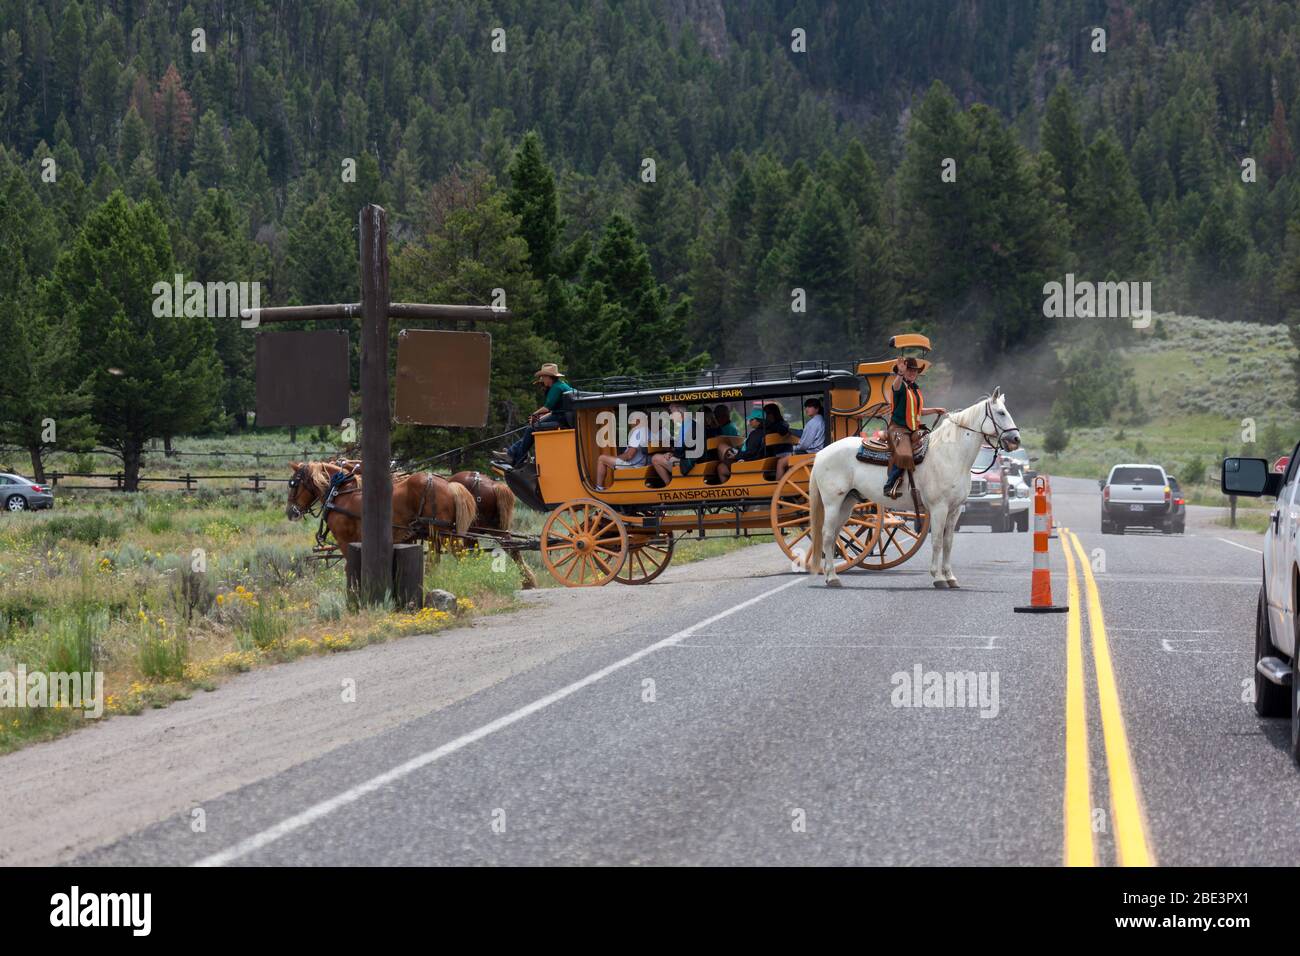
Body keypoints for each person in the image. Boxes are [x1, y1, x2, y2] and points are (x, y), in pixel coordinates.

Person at [882, 357, 945, 498]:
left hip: (913, 429)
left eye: (914, 371)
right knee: (904, 454)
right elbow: (895, 386)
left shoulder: (915, 389)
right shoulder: (900, 386)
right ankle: (889, 485)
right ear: (904, 371)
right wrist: (899, 373)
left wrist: (935, 410)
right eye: (909, 370)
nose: (912, 373)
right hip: (898, 429)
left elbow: (918, 411)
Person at [496, 363, 574, 468]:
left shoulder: (556, 388)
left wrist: (534, 415)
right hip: (561, 416)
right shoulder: (561, 385)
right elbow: (554, 410)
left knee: (531, 429)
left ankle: (516, 458)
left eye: (543, 377)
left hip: (562, 418)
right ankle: (511, 453)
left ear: (549, 377)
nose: (542, 379)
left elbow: (547, 408)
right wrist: (540, 418)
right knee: (532, 427)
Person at [593, 414, 650, 491]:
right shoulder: (647, 431)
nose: (629, 423)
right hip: (643, 466)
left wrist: (615, 458)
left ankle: (599, 488)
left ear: (637, 421)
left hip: (634, 467)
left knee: (602, 458)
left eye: (631, 421)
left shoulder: (637, 432)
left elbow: (629, 455)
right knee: (609, 459)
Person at [774, 398, 827, 481]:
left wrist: (795, 448)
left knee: (780, 462)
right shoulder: (821, 420)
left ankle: (777, 486)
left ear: (817, 409)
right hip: (818, 450)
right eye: (806, 407)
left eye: (809, 407)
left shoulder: (812, 423)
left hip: (811, 453)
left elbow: (804, 445)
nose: (806, 409)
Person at [650, 402, 697, 485]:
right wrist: (672, 453)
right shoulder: (689, 423)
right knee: (665, 456)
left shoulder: (686, 426)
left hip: (690, 463)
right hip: (692, 458)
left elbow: (683, 449)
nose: (671, 417)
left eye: (672, 413)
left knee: (655, 458)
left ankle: (669, 485)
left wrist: (673, 454)